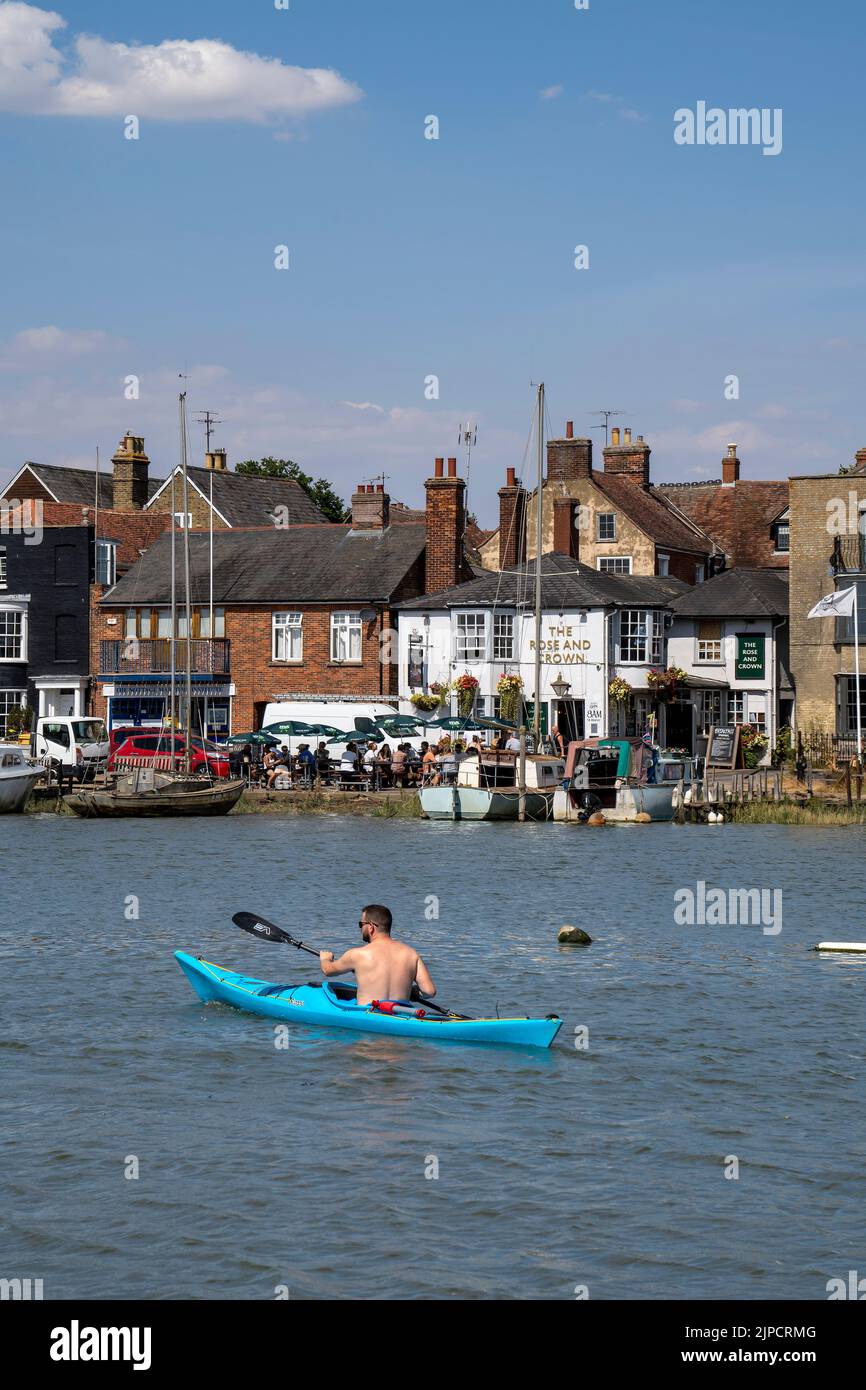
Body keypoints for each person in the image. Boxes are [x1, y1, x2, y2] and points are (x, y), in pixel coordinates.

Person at [319, 904, 436, 1008]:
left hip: (369, 1014)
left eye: (361, 924)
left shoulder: (357, 954)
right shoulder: (411, 954)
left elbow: (328, 970)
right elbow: (429, 991)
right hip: (401, 1014)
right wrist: (412, 992)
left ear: (371, 927)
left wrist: (325, 959)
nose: (360, 928)